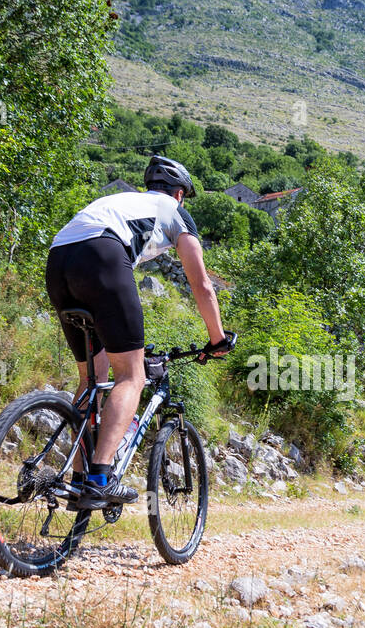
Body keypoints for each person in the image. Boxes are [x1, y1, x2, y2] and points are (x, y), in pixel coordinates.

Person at [45, 155, 230, 509]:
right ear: (179, 194)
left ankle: (79, 479)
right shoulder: (174, 211)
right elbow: (202, 284)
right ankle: (100, 479)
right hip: (103, 254)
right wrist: (218, 338)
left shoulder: (121, 202)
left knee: (92, 381)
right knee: (132, 376)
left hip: (58, 259)